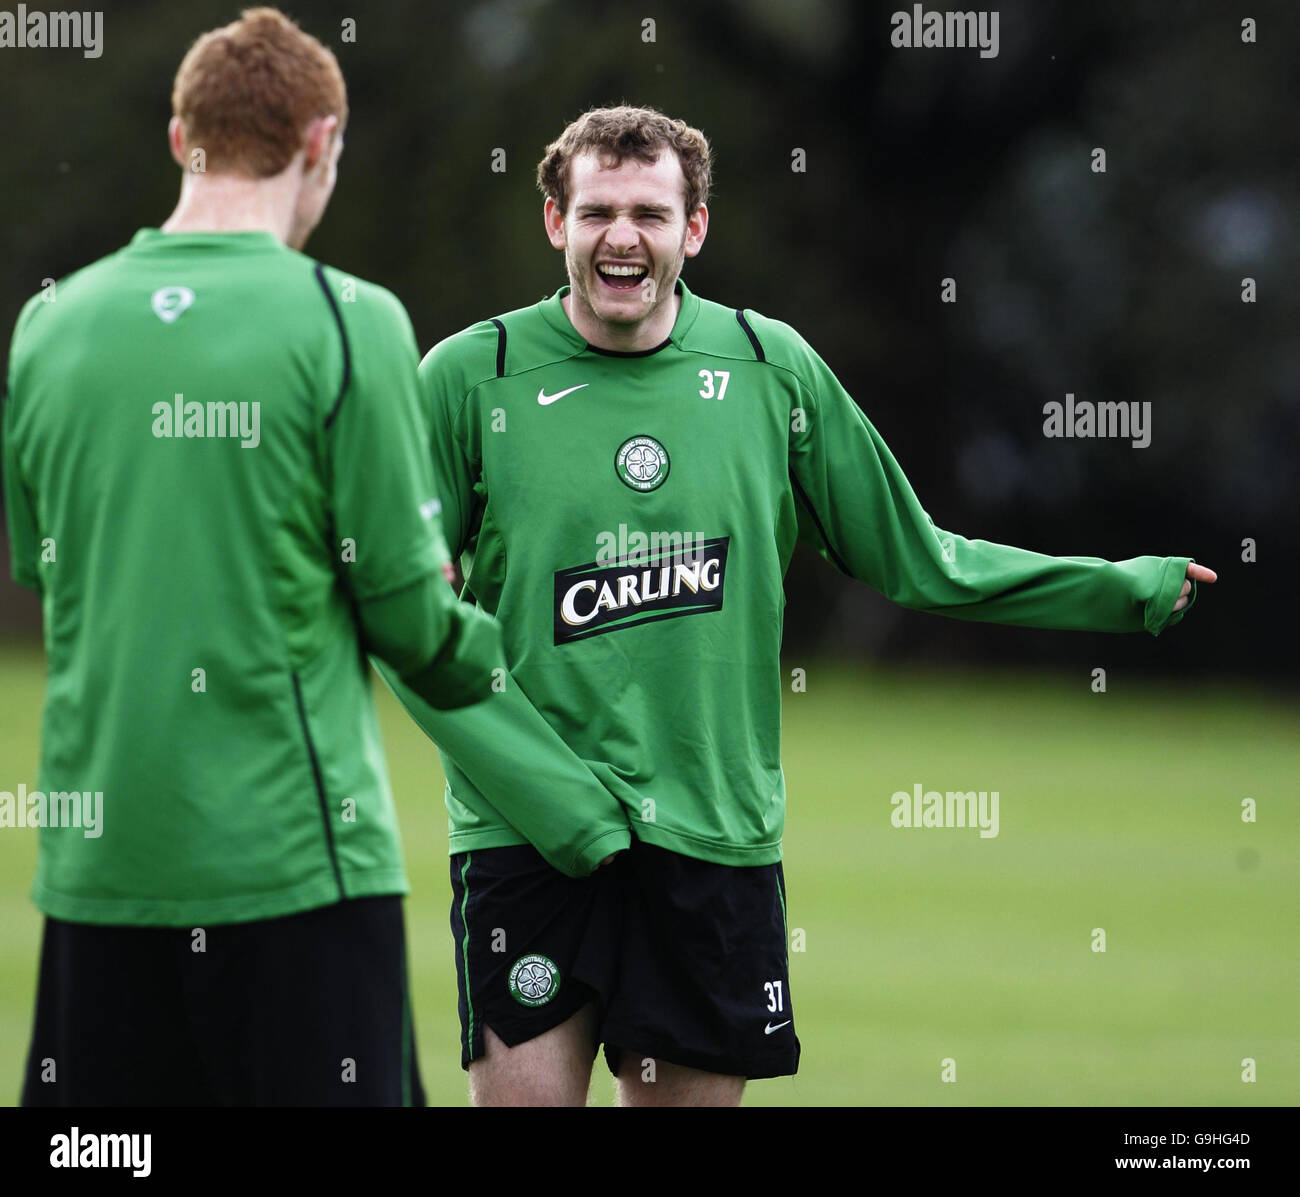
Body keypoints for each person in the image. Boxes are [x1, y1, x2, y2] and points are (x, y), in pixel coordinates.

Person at [381, 104, 1216, 1107]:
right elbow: (405, 610)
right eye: (596, 210)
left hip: (713, 840)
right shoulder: (471, 378)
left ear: (692, 230)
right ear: (554, 220)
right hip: (523, 843)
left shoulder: (769, 369)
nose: (620, 237)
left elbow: (920, 558)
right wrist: (553, 796)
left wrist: (1116, 591)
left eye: (649, 213)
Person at [2, 7, 503, 1107]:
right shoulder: (349, 318)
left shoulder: (48, 325)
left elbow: (48, 575)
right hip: (295, 871)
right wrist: (486, 637)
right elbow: (411, 623)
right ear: (321, 142)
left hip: (98, 877)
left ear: (180, 138)